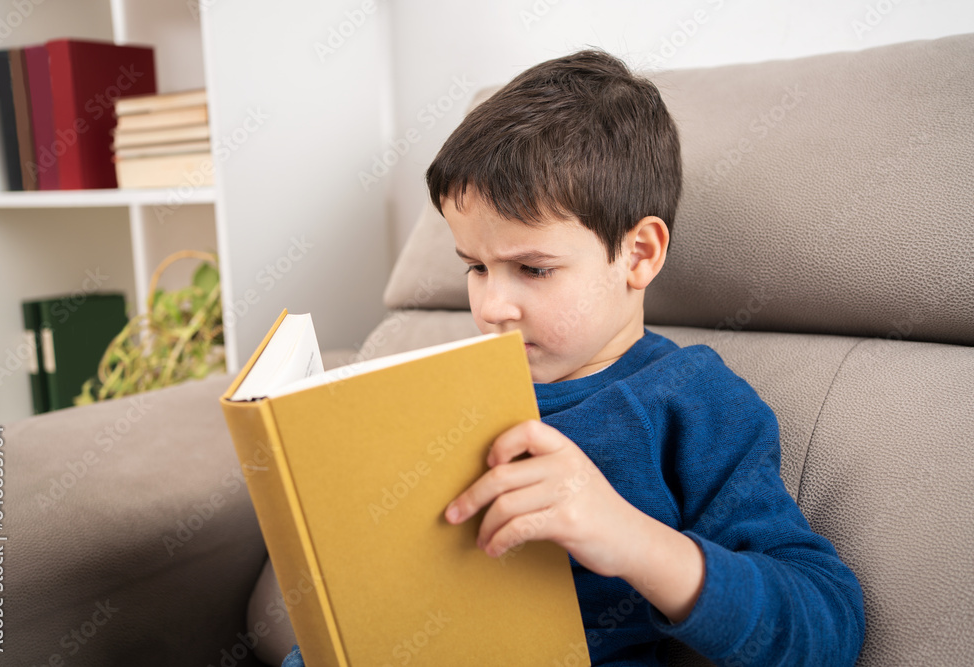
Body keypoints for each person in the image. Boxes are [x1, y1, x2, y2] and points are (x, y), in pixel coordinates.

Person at [285, 49, 864, 666]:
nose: (493, 306)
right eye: (476, 267)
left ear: (638, 254)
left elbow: (827, 627)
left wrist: (629, 537)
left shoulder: (691, 400)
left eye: (533, 269)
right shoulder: (444, 392)